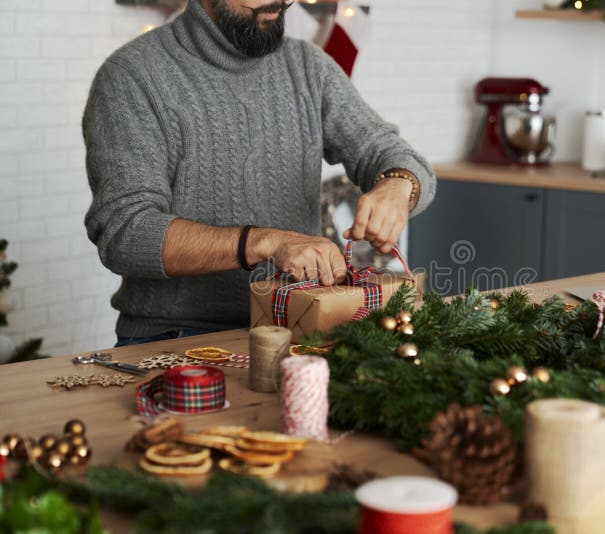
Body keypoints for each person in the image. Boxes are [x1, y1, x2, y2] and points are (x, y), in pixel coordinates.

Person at [82, 0, 436, 347]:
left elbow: (388, 150)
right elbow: (125, 232)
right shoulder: (132, 76)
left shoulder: (308, 66)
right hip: (175, 336)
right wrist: (264, 242)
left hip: (299, 326)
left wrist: (398, 185)